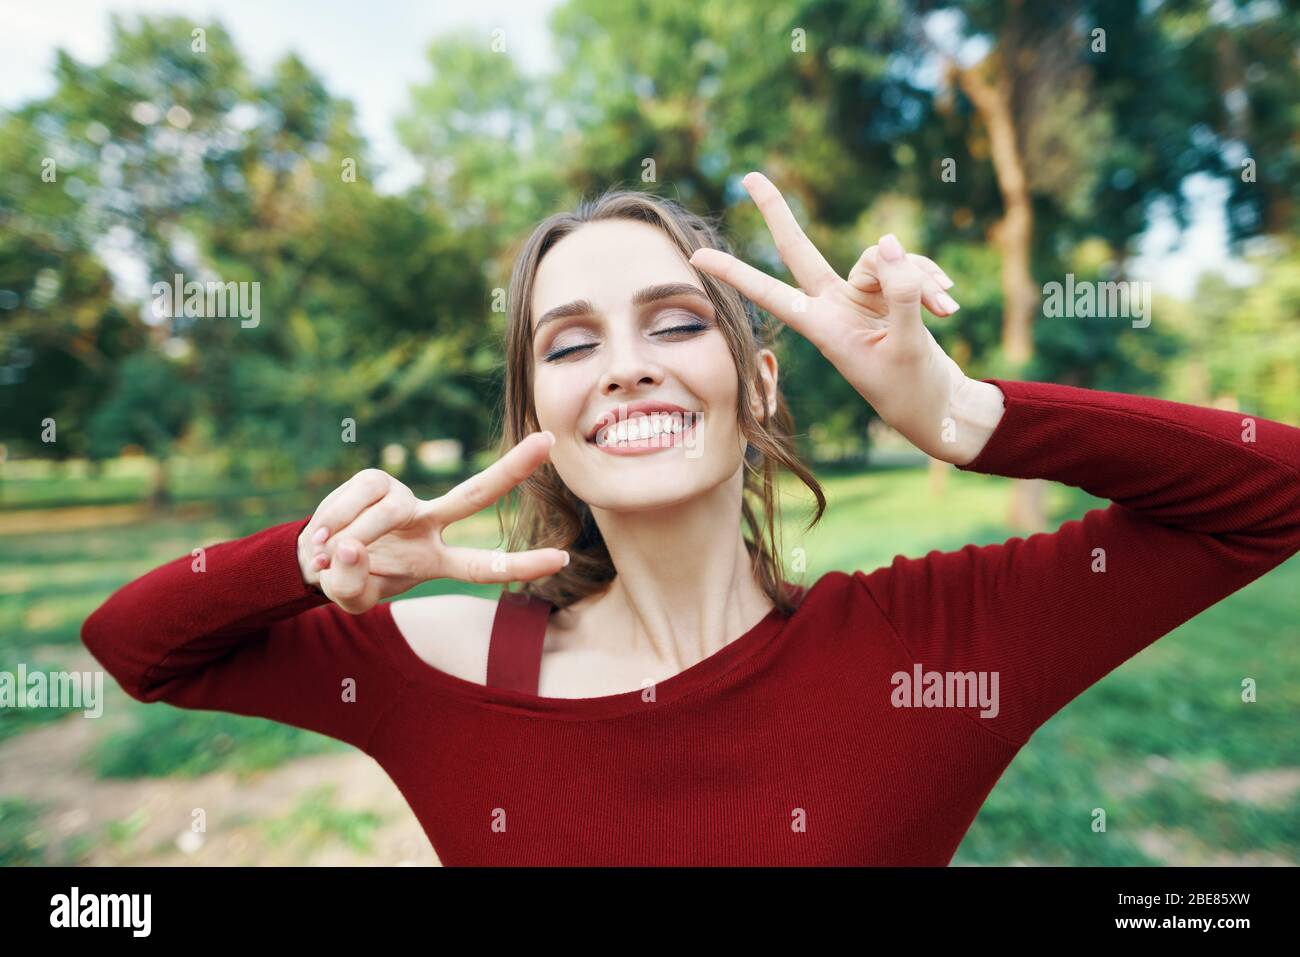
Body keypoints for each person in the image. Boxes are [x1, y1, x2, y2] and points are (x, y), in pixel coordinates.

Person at [81, 173, 1300, 866]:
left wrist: (968, 417)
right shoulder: (447, 657)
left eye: (674, 322)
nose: (625, 367)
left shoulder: (933, 649)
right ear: (538, 414)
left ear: (758, 378)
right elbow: (134, 647)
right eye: (571, 343)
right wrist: (307, 560)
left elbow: (1270, 495)